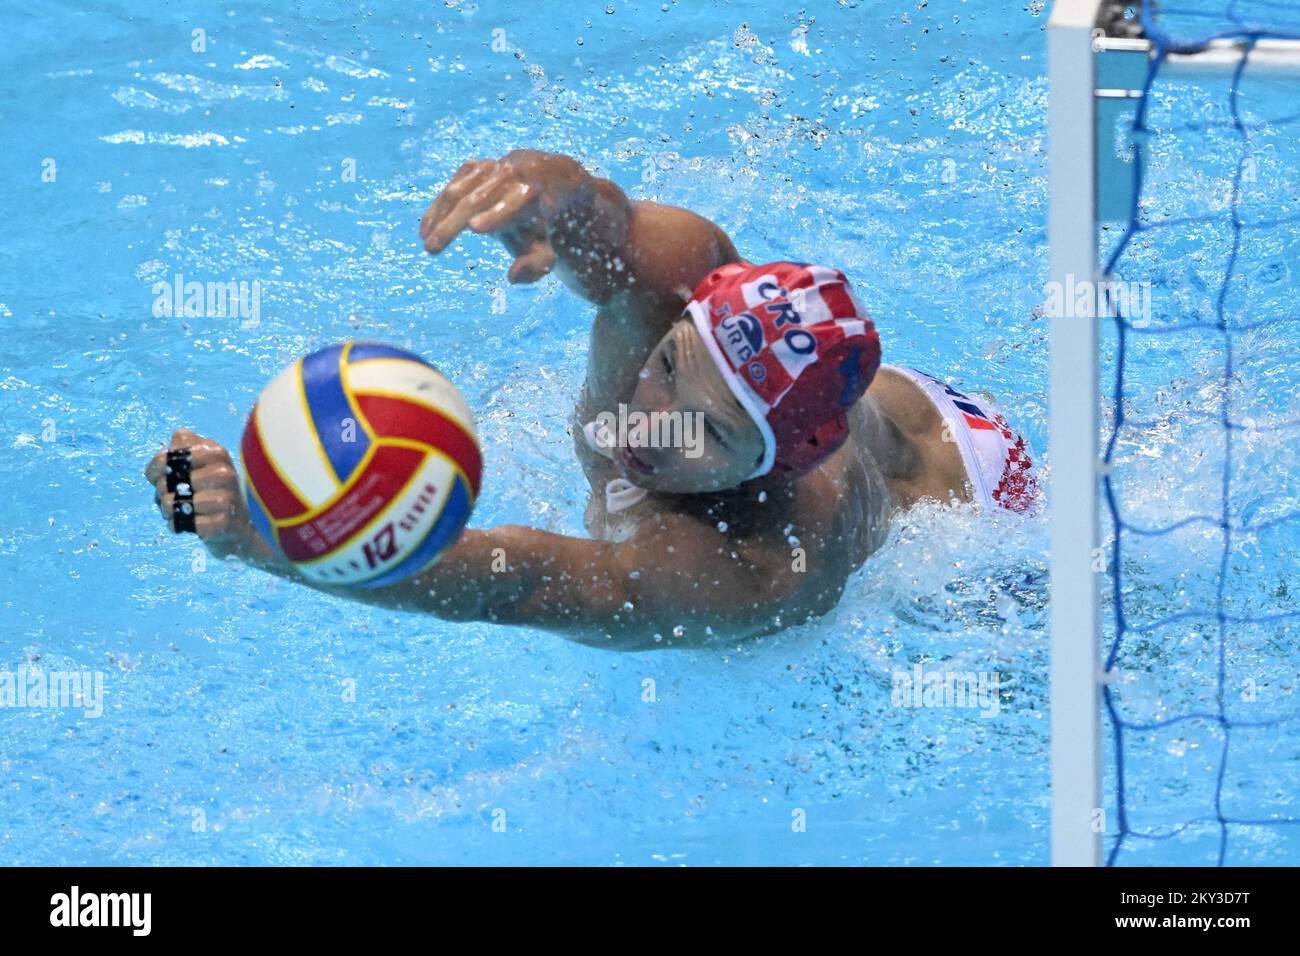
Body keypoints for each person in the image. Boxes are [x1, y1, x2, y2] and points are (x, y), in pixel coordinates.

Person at [144, 149, 1037, 650]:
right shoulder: (684, 279)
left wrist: (261, 541)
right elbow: (599, 216)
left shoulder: (750, 573)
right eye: (671, 364)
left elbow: (519, 580)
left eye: (712, 431)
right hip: (858, 393)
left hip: (977, 497)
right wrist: (546, 200)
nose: (652, 421)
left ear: (773, 460)